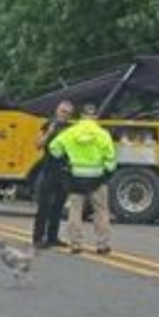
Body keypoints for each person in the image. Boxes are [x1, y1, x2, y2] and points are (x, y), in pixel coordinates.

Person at [49, 102, 117, 255]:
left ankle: (75, 244)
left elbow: (54, 149)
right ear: (95, 116)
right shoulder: (102, 134)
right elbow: (111, 158)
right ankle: (102, 245)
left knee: (75, 211)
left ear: (80, 116)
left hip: (76, 177)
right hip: (97, 178)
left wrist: (64, 158)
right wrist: (107, 172)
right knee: (101, 212)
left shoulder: (71, 132)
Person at [30, 100, 75, 249]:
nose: (64, 115)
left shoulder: (71, 128)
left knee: (58, 206)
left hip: (64, 171)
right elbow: (37, 145)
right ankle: (37, 238)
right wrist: (49, 132)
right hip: (49, 169)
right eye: (62, 111)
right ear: (57, 111)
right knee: (44, 205)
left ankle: (52, 237)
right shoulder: (49, 124)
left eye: (68, 113)